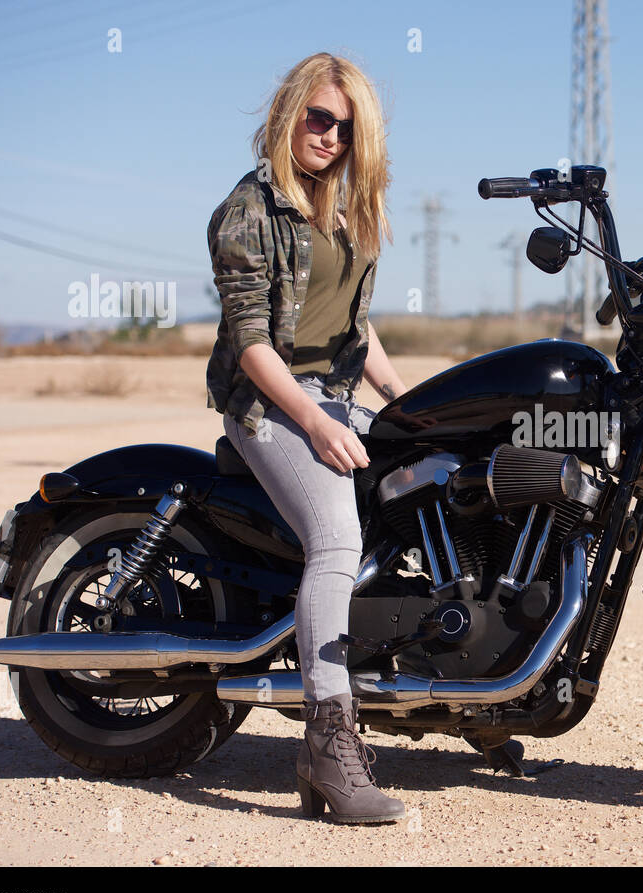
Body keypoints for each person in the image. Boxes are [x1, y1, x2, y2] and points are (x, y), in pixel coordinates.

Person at [204, 52, 408, 824]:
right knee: (335, 542)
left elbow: (356, 328)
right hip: (271, 404)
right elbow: (252, 341)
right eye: (318, 118)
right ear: (290, 111)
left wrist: (405, 401)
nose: (329, 136)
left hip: (334, 396)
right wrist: (317, 422)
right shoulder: (249, 210)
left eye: (346, 129)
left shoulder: (342, 210)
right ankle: (327, 740)